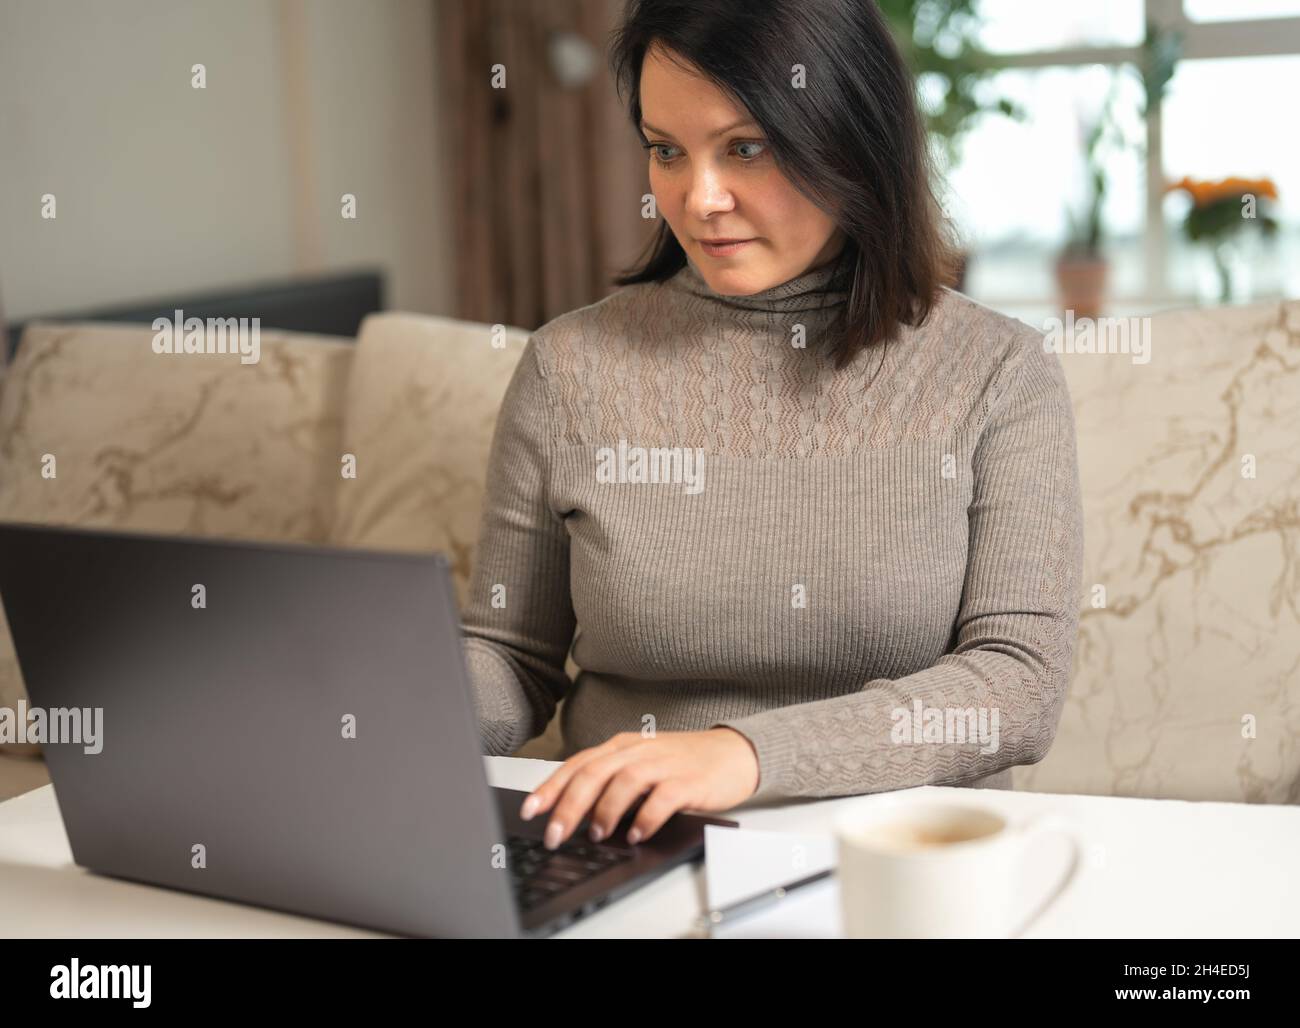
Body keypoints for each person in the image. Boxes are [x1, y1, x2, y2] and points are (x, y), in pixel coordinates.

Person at [462, 0, 1084, 851]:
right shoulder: (569, 366)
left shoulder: (999, 370)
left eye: (745, 148)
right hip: (630, 851)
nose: (698, 198)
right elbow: (510, 655)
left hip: (906, 856)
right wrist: (390, 713)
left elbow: (1015, 686)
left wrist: (746, 755)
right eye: (666, 151)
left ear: (851, 141)